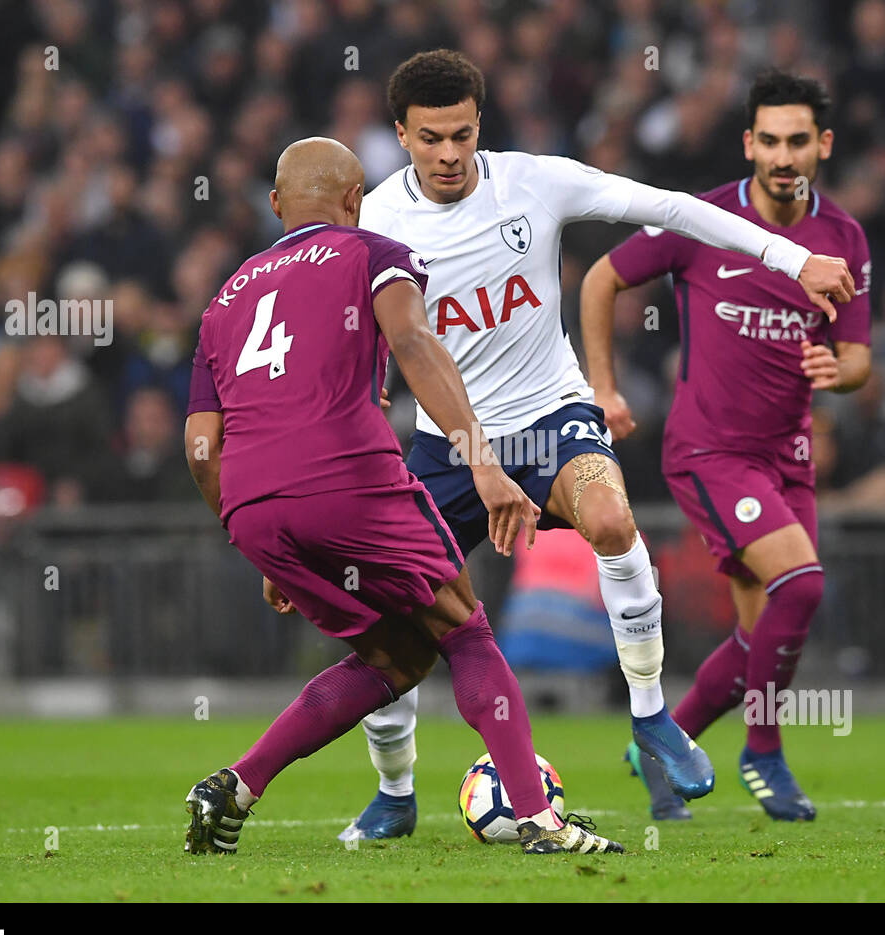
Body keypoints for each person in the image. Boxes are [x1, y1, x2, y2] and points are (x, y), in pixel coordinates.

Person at [341, 49, 855, 842]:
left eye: (464, 136)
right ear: (401, 134)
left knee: (614, 524)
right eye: (431, 138)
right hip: (450, 447)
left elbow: (676, 208)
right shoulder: (375, 222)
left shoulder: (535, 181)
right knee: (394, 621)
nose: (450, 155)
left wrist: (794, 258)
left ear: (483, 126)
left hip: (552, 419)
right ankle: (395, 792)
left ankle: (652, 720)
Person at [182, 137, 621, 856]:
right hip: (348, 479)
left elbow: (202, 445)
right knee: (466, 631)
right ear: (354, 201)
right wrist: (482, 464)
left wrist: (257, 534)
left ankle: (236, 784)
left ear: (274, 206)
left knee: (394, 660)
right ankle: (542, 821)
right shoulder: (371, 252)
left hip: (256, 507)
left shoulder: (224, 301)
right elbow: (417, 345)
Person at [581, 70, 873, 821]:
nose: (783, 155)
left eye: (798, 141)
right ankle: (763, 752)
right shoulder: (702, 221)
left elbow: (859, 355)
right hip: (711, 452)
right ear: (748, 143)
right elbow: (599, 280)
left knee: (757, 639)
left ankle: (662, 743)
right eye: (769, 140)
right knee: (801, 586)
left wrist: (837, 374)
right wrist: (603, 390)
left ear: (823, 146)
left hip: (791, 458)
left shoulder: (842, 237)